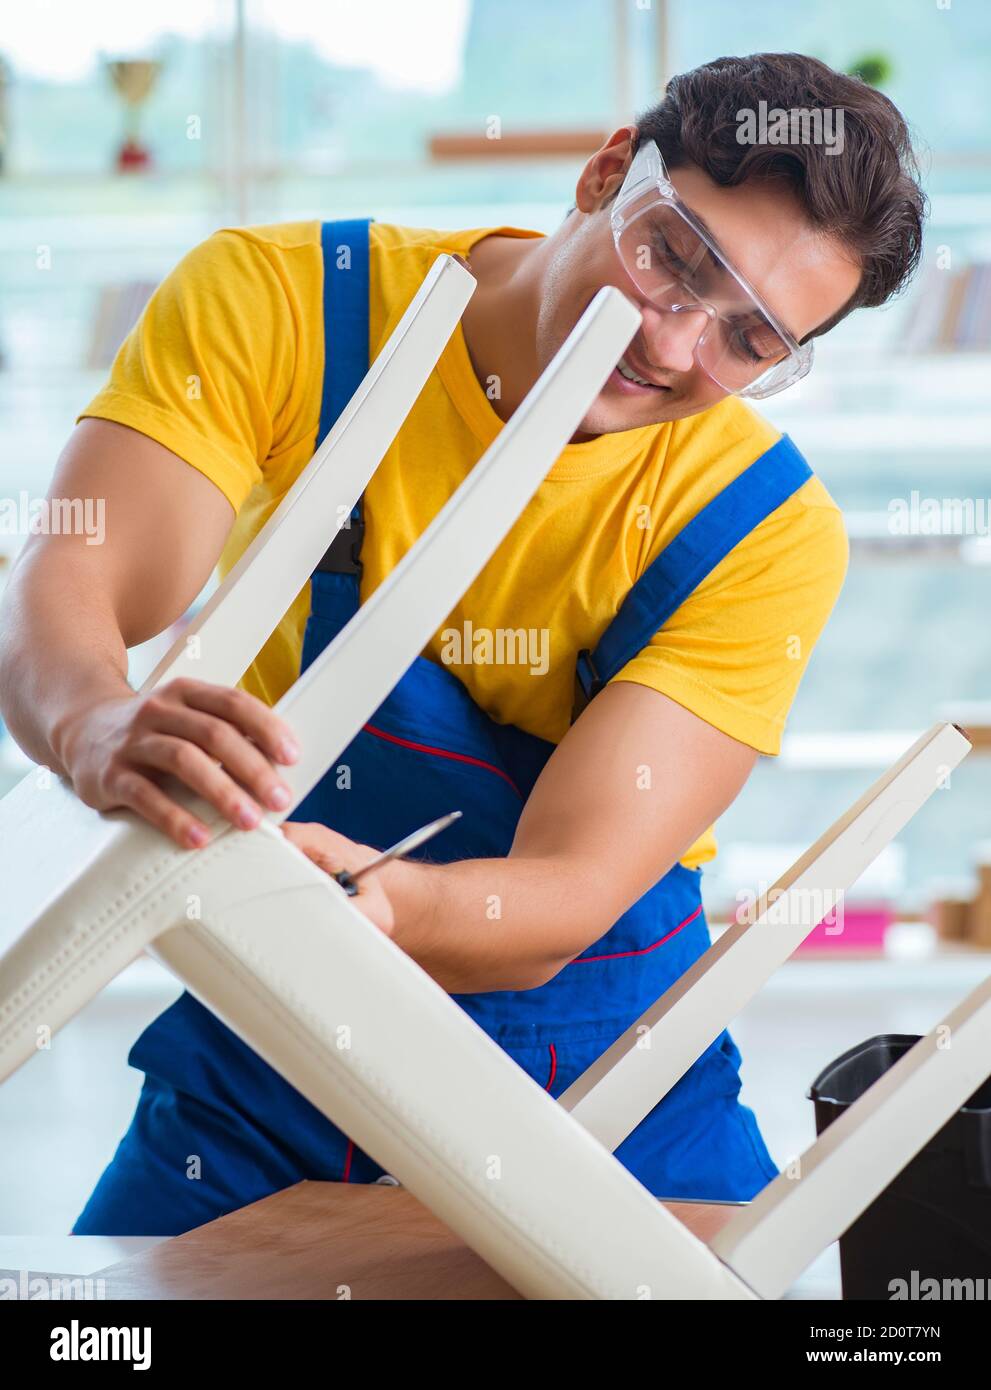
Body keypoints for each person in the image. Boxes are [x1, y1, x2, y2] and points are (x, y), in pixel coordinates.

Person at [0, 53, 925, 1235]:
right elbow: (78, 576)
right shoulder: (286, 304)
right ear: (605, 176)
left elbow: (568, 890)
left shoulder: (762, 529)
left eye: (751, 343)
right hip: (272, 1053)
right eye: (676, 260)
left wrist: (370, 909)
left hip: (607, 1099)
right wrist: (92, 719)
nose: (676, 346)